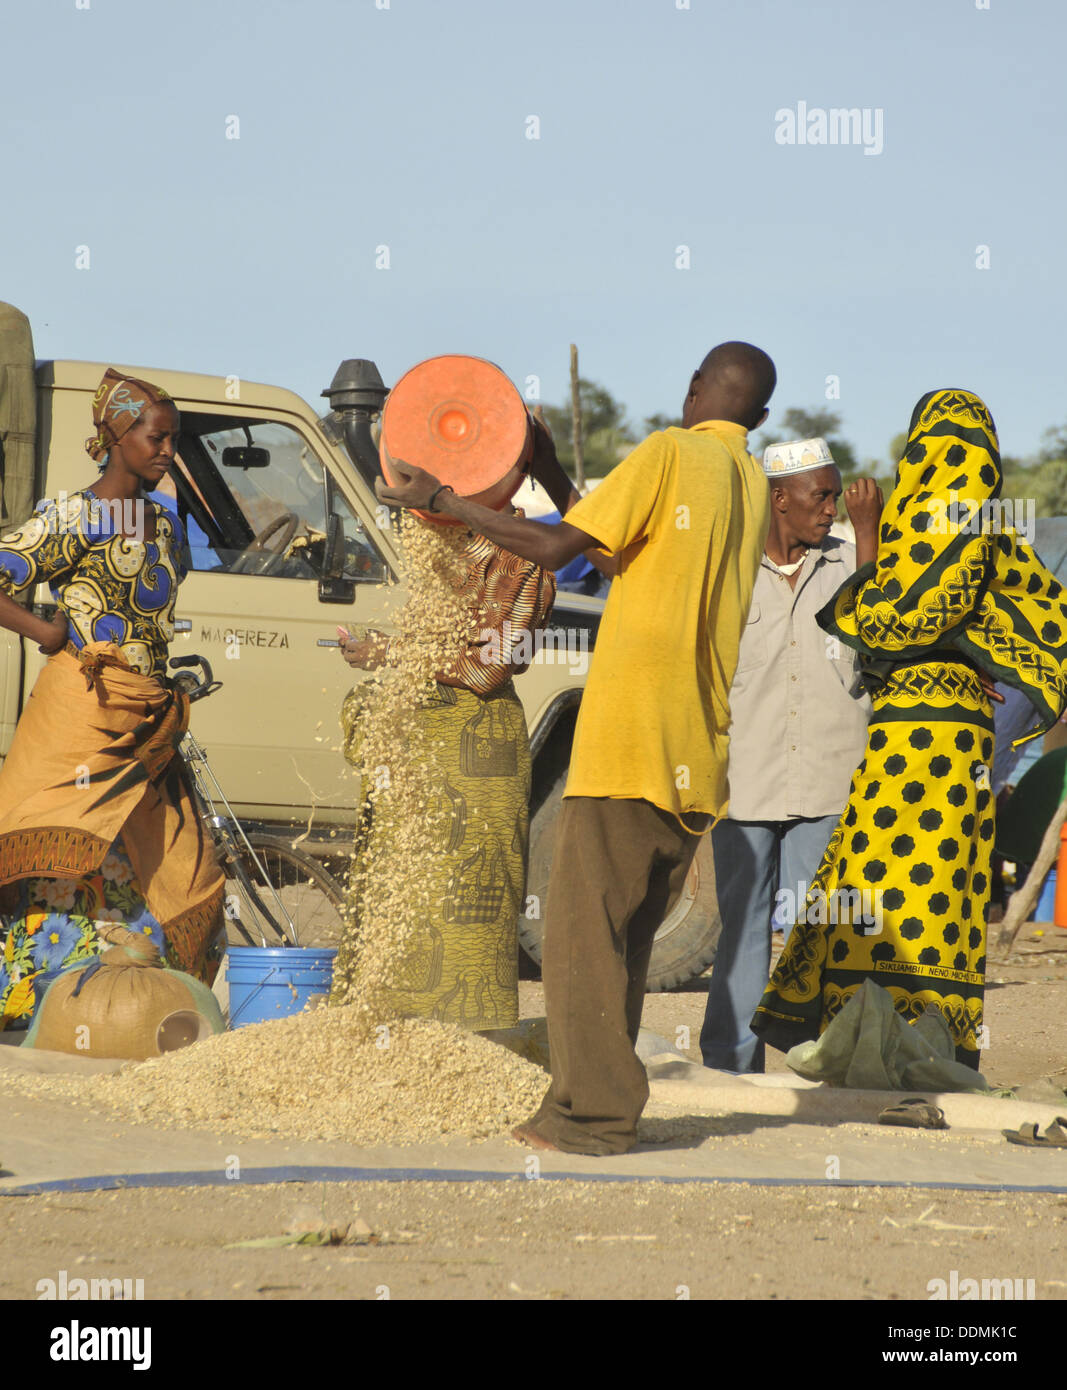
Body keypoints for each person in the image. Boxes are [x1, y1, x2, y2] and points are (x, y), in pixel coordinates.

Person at [376, 340, 777, 1153]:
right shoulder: (748, 480)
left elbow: (558, 550)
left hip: (631, 738)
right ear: (759, 417)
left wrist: (447, 496)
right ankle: (603, 1106)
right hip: (691, 749)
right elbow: (617, 547)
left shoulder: (669, 451)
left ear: (694, 387)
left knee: (579, 938)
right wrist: (557, 479)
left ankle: (589, 1117)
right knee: (621, 940)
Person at [752, 389, 1067, 1068]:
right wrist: (980, 650)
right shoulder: (991, 539)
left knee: (875, 885)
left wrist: (875, 555)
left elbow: (886, 624)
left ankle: (863, 1044)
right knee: (935, 892)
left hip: (907, 739)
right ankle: (930, 1051)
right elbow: (1041, 625)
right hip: (956, 742)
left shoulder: (920, 528)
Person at [0, 369, 225, 1023]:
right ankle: (48, 1011)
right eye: (156, 439)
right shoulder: (71, 517)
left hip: (147, 727)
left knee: (180, 866)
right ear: (118, 437)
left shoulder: (163, 524)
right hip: (82, 719)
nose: (166, 452)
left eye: (172, 440)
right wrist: (44, 630)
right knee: (63, 861)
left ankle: (146, 1011)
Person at [699, 438, 878, 1074]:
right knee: (743, 929)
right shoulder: (729, 569)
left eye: (834, 495)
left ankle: (819, 1066)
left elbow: (879, 635)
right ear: (780, 498)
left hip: (830, 778)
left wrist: (869, 534)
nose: (831, 507)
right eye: (820, 495)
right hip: (744, 779)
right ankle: (730, 1068)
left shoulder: (853, 559)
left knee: (821, 932)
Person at [335, 517, 556, 1031]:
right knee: (404, 893)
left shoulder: (519, 555)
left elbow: (489, 668)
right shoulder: (445, 549)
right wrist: (387, 648)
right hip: (419, 741)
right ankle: (392, 1032)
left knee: (466, 905)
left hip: (475, 752)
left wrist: (388, 652)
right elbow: (439, 647)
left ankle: (465, 1043)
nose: (414, 519)